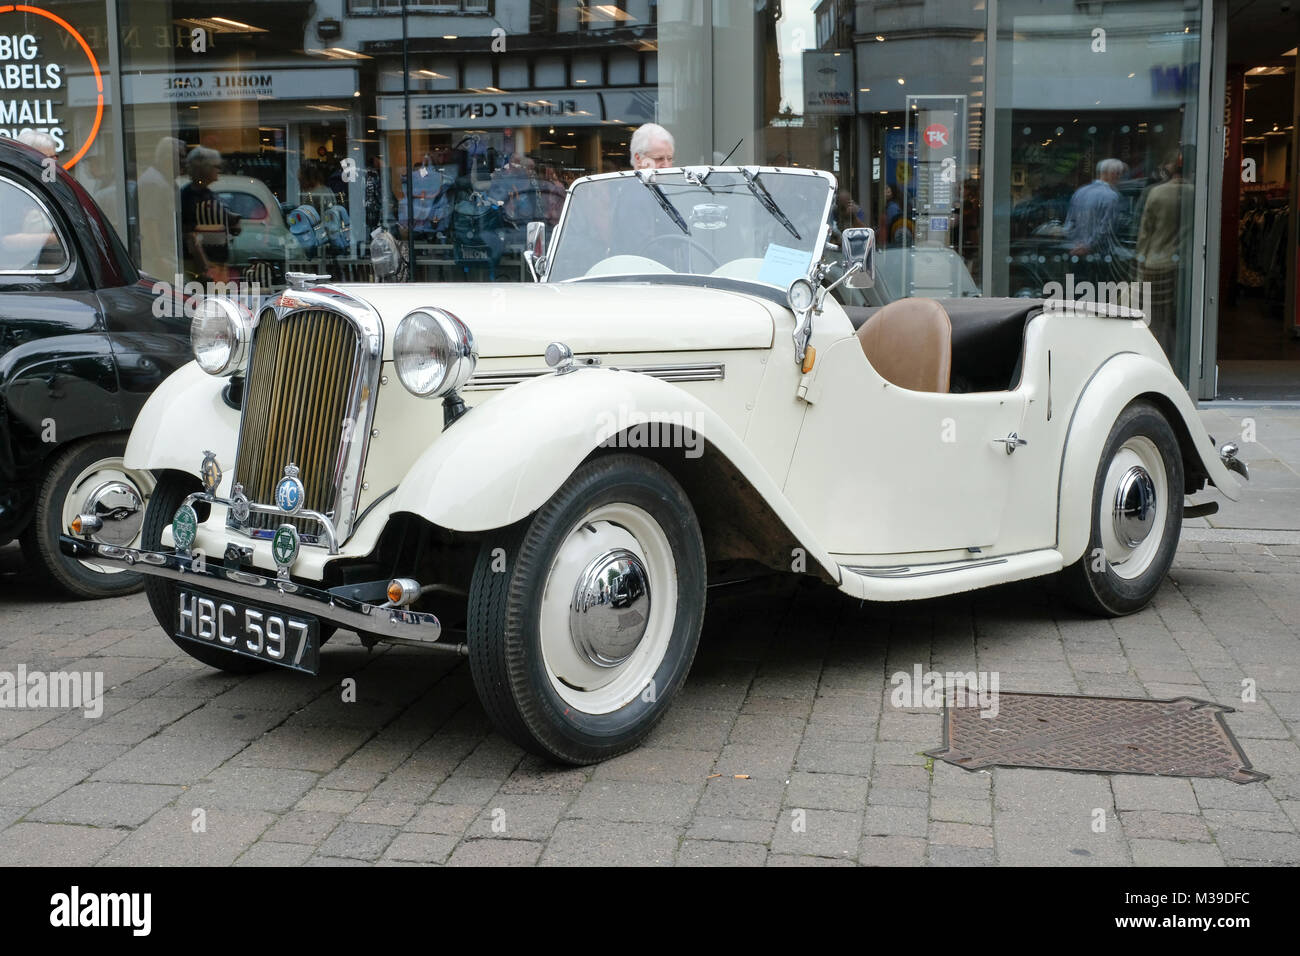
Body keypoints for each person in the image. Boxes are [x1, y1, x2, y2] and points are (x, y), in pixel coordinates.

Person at [1136, 150, 1193, 358]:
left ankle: (1159, 359)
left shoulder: (1157, 193)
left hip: (1156, 263)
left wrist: (1139, 262)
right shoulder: (1197, 194)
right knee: (1181, 320)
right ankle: (1181, 358)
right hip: (1186, 265)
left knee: (1155, 321)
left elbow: (1145, 232)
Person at [180, 145, 241, 284]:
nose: (219, 170)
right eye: (216, 166)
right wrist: (205, 265)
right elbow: (190, 234)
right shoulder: (189, 196)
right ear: (204, 167)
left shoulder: (207, 193)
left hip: (216, 264)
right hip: (203, 267)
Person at [1065, 158, 1128, 281]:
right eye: (1119, 174)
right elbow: (1105, 229)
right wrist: (1088, 247)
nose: (1120, 178)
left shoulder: (1080, 192)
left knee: (1076, 293)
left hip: (1075, 252)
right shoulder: (1112, 196)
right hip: (1098, 257)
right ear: (1112, 174)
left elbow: (1069, 224)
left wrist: (1076, 245)